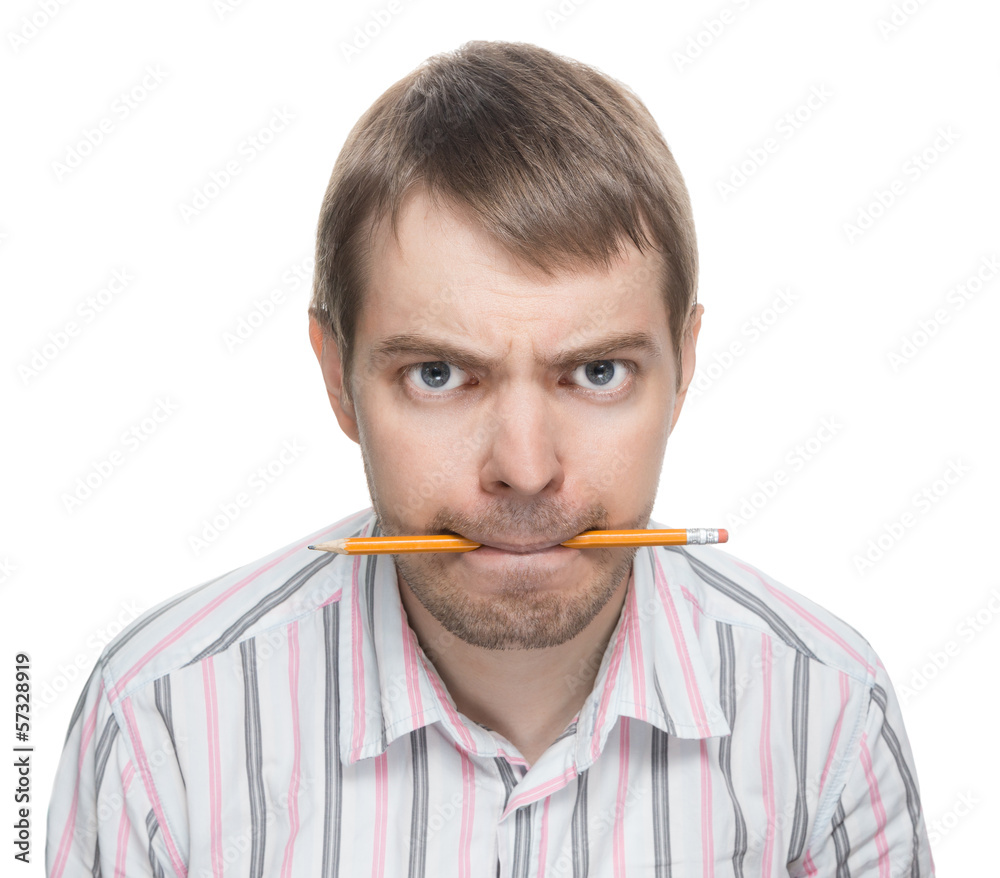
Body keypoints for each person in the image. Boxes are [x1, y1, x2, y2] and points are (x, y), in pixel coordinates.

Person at [46, 40, 933, 877]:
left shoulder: (830, 713)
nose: (525, 468)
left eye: (595, 372)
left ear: (685, 366)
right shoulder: (156, 723)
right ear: (337, 377)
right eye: (438, 375)